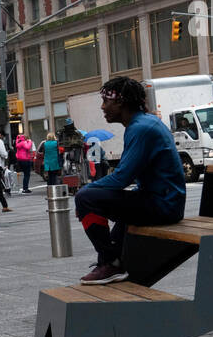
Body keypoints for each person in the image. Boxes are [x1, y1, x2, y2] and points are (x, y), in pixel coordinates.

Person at [74, 77, 186, 285]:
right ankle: (111, 261)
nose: (103, 106)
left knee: (85, 199)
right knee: (93, 201)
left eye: (106, 101)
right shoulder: (144, 123)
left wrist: (86, 193)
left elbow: (122, 178)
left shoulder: (141, 128)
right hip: (162, 200)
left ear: (121, 102)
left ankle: (110, 263)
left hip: (163, 205)